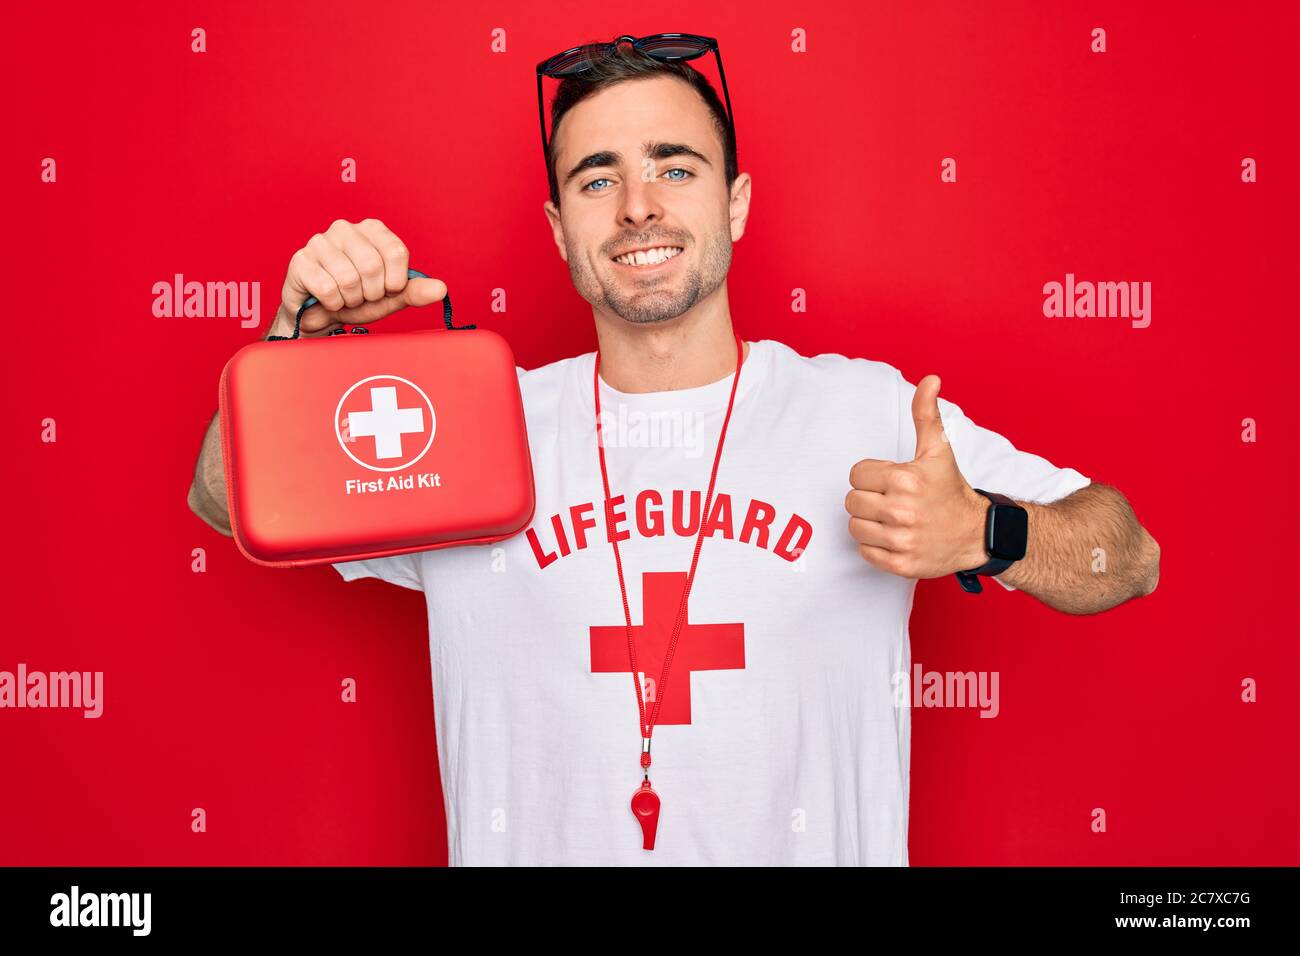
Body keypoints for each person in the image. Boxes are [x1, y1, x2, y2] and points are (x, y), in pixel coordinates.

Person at [187, 36, 1160, 866]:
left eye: (674, 166)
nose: (638, 205)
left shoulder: (867, 412)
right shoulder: (473, 424)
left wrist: (984, 529)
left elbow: (1126, 554)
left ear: (734, 203)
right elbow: (225, 497)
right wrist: (294, 345)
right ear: (559, 229)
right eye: (596, 177)